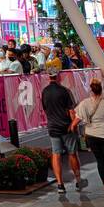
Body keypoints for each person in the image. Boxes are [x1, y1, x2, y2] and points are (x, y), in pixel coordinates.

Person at [41, 66, 87, 194]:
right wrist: (74, 125)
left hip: (53, 127)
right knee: (72, 154)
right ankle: (78, 181)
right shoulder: (64, 91)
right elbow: (72, 111)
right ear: (58, 76)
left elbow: (45, 109)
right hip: (66, 127)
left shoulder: (45, 92)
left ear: (48, 76)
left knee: (56, 154)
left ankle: (60, 184)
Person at [75, 80, 104, 196]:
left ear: (91, 90)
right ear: (101, 90)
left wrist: (72, 125)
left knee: (100, 160)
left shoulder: (84, 103)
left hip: (92, 135)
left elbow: (78, 116)